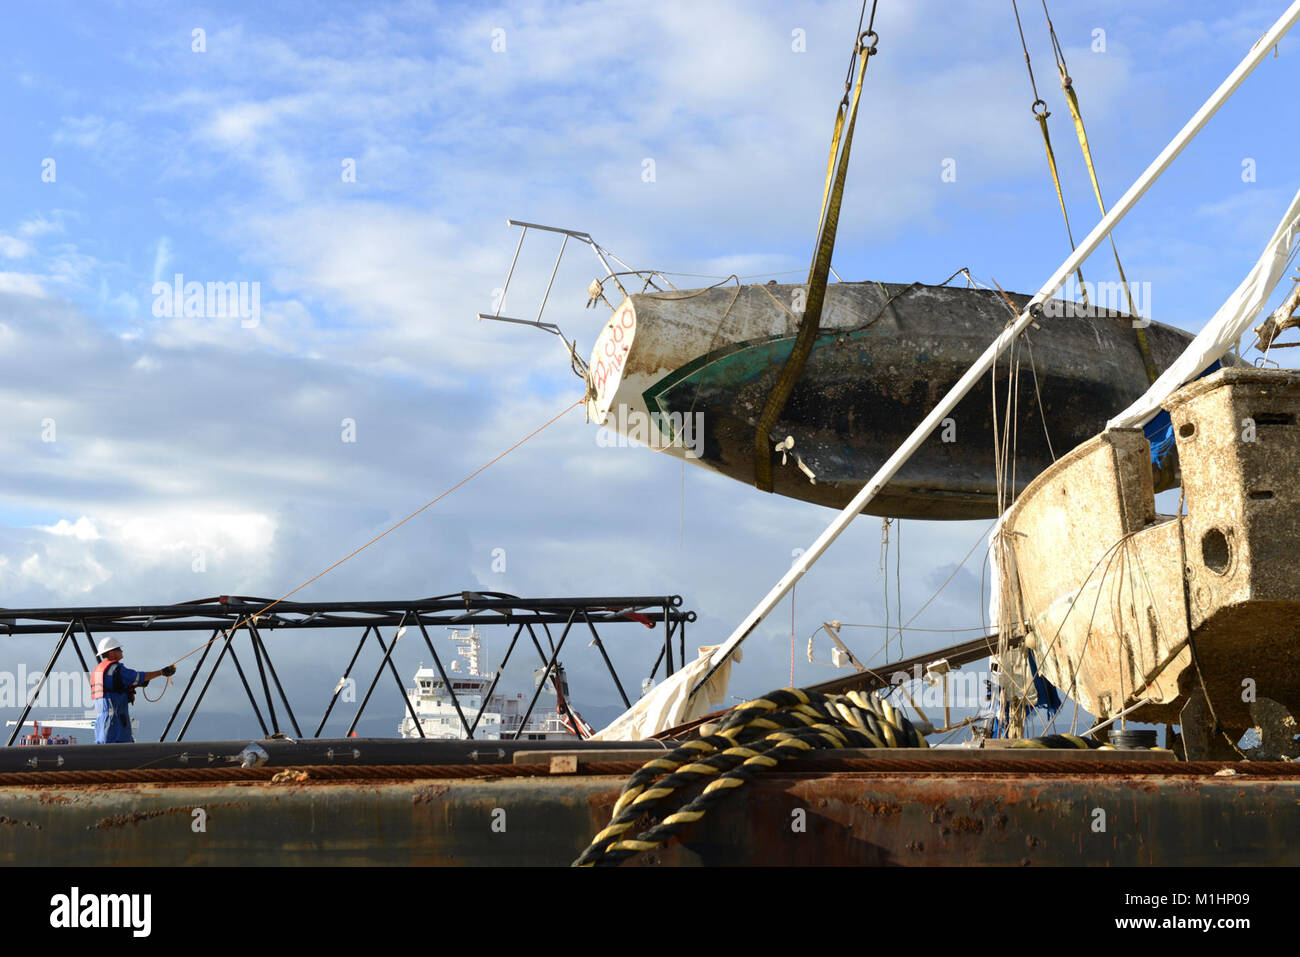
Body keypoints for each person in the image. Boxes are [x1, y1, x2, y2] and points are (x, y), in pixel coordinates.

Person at [90, 637, 176, 744]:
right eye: (118, 649)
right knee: (120, 749)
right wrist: (162, 672)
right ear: (111, 653)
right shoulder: (116, 669)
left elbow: (113, 689)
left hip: (102, 721)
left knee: (103, 746)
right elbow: (138, 676)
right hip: (115, 720)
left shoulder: (98, 670)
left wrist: (135, 686)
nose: (121, 651)